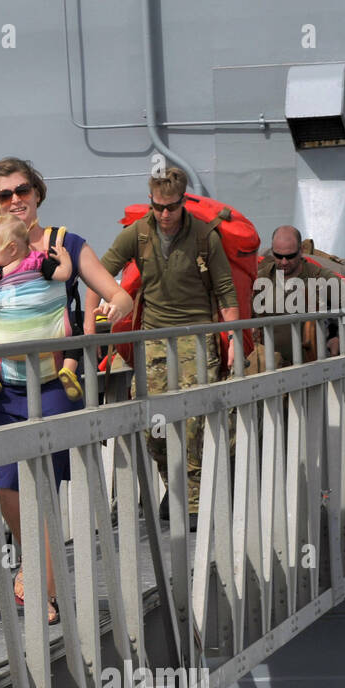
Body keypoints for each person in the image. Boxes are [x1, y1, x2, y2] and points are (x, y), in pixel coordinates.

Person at [0, 157, 132, 615]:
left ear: (38, 192)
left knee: (42, 486)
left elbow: (118, 294)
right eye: (4, 195)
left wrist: (111, 311)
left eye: (23, 190)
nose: (16, 200)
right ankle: (35, 564)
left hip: (54, 382)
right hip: (2, 387)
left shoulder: (64, 244)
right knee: (2, 483)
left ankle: (44, 593)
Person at [84, 166, 238, 526]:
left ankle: (196, 503)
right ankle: (177, 485)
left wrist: (231, 340)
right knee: (152, 426)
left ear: (183, 201)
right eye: (158, 207)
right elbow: (98, 274)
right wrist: (90, 327)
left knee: (194, 424)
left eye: (171, 206)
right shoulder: (137, 235)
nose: (165, 214)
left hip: (196, 340)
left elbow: (226, 291)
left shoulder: (204, 237)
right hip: (153, 340)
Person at [0, 215, 81, 400]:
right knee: (76, 336)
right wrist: (65, 260)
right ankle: (68, 371)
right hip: (49, 350)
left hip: (7, 354)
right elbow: (64, 274)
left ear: (12, 249)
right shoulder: (37, 261)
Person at [252, 226, 345, 365]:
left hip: (312, 364)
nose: (284, 262)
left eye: (290, 256)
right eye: (278, 256)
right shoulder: (260, 279)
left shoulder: (319, 277)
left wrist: (339, 338)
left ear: (301, 251)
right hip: (270, 366)